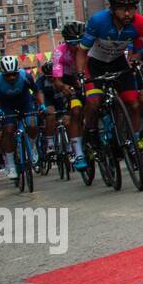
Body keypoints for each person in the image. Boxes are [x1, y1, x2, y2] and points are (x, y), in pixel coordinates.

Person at [77, 0, 143, 151]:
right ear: (113, 9)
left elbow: (137, 51)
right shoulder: (98, 21)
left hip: (118, 62)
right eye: (123, 9)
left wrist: (134, 63)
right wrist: (80, 74)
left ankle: (135, 142)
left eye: (131, 8)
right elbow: (81, 51)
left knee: (134, 103)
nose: (127, 14)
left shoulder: (140, 23)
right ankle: (91, 131)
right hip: (94, 64)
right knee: (94, 103)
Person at [0, 55, 43, 183]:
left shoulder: (25, 76)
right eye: (8, 75)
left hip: (25, 102)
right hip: (7, 106)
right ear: (2, 74)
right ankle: (11, 165)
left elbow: (37, 91)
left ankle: (33, 147)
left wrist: (42, 105)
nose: (12, 77)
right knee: (8, 130)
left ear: (18, 71)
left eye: (14, 74)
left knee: (32, 124)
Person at [51, 21, 87, 172]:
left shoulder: (89, 46)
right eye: (73, 42)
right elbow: (57, 80)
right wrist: (64, 87)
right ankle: (78, 153)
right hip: (69, 81)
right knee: (76, 111)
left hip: (86, 76)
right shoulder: (59, 52)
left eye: (80, 41)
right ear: (66, 41)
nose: (77, 46)